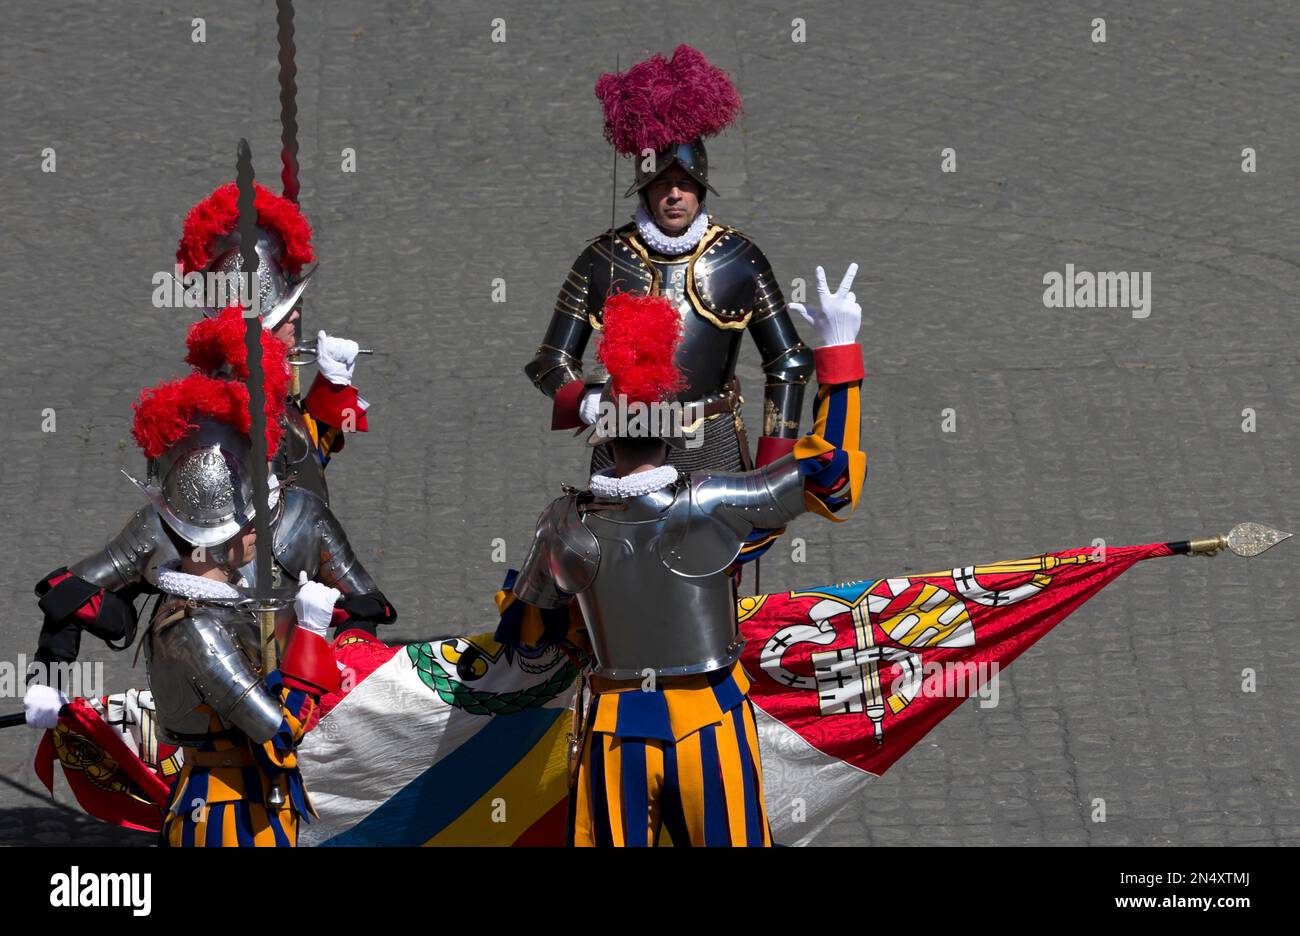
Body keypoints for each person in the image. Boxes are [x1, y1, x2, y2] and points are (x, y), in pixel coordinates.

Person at [510, 263, 866, 846]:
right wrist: (840, 355)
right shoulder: (716, 502)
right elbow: (834, 478)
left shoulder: (562, 522)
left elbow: (529, 634)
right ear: (671, 431)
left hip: (612, 735)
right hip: (710, 724)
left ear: (602, 435)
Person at [23, 344, 394, 725]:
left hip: (300, 695)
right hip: (204, 710)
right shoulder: (161, 524)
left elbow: (365, 605)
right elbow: (74, 594)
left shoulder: (305, 515)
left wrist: (348, 672)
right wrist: (47, 679)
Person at [525, 45, 814, 473]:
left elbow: (786, 361)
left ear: (701, 188)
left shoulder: (740, 258)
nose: (674, 194)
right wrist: (585, 400)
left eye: (685, 183)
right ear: (644, 189)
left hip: (711, 441)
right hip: (626, 442)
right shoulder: (601, 258)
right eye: (662, 182)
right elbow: (551, 359)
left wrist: (774, 463)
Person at [176, 181, 371, 504]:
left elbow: (304, 460)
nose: (296, 316)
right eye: (284, 311)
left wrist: (331, 390)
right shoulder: (239, 405)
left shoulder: (269, 375)